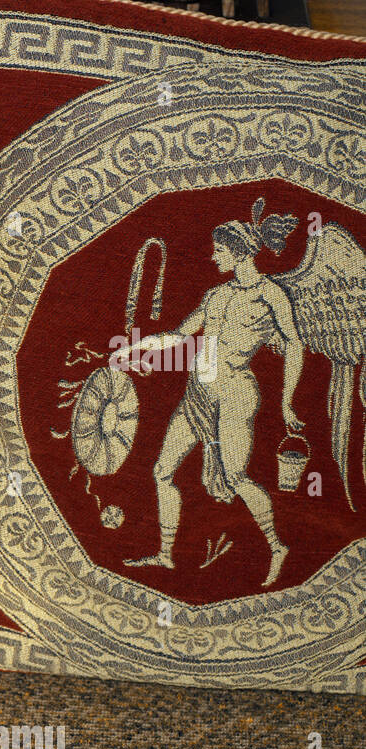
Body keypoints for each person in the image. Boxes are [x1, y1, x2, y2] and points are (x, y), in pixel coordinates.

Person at [121, 203, 304, 588]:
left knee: (235, 477)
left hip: (235, 393)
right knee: (161, 471)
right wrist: (135, 348)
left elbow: (296, 345)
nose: (213, 256)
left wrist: (287, 401)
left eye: (219, 250)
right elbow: (181, 335)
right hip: (198, 393)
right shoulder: (216, 294)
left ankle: (277, 547)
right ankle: (165, 555)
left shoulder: (271, 295)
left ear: (238, 252)